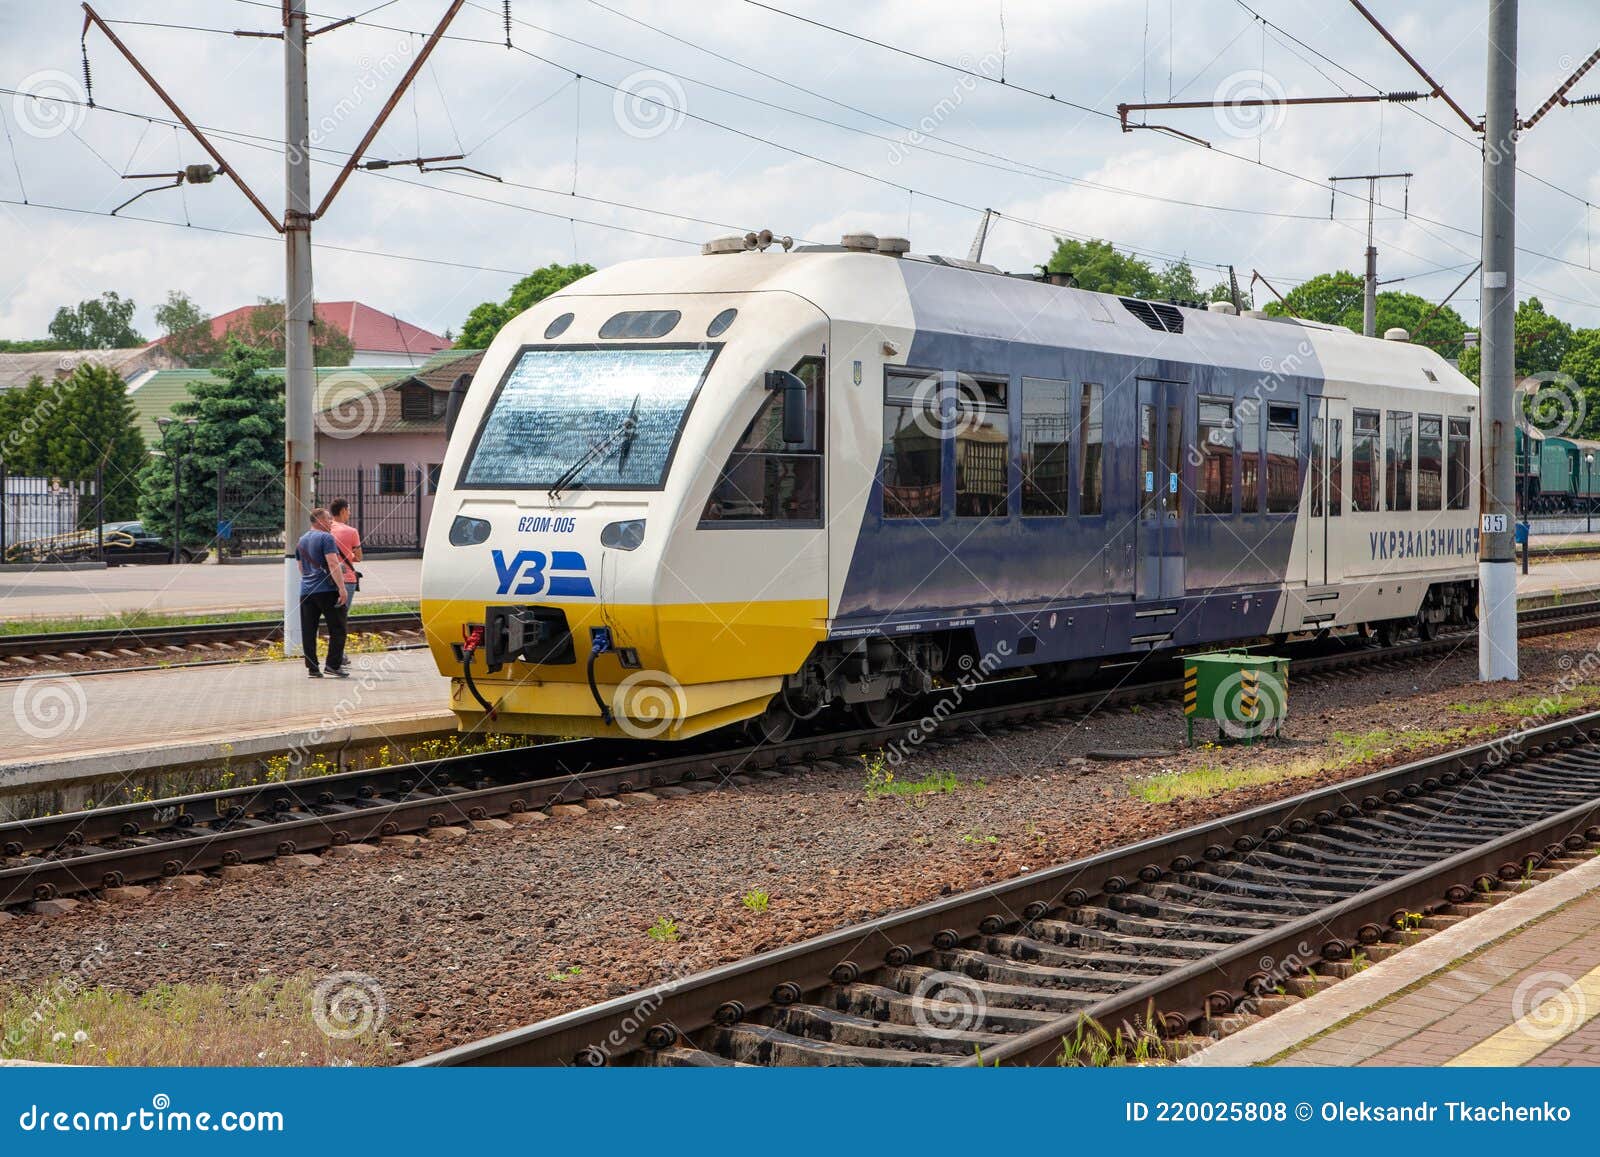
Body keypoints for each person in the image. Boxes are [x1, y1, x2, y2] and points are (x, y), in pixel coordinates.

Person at [295, 507, 348, 678]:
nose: (331, 522)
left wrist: (310, 580)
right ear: (318, 520)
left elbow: (301, 568)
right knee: (338, 628)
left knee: (309, 630)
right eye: (328, 519)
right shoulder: (326, 537)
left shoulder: (301, 540)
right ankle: (333, 665)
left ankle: (312, 668)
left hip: (306, 591)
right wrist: (341, 588)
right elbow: (333, 563)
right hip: (327, 590)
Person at [328, 496, 363, 613]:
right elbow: (358, 557)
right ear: (343, 511)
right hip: (346, 579)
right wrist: (348, 556)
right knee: (341, 617)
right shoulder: (351, 531)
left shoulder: (324, 529)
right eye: (349, 510)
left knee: (329, 615)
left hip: (326, 579)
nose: (350, 513)